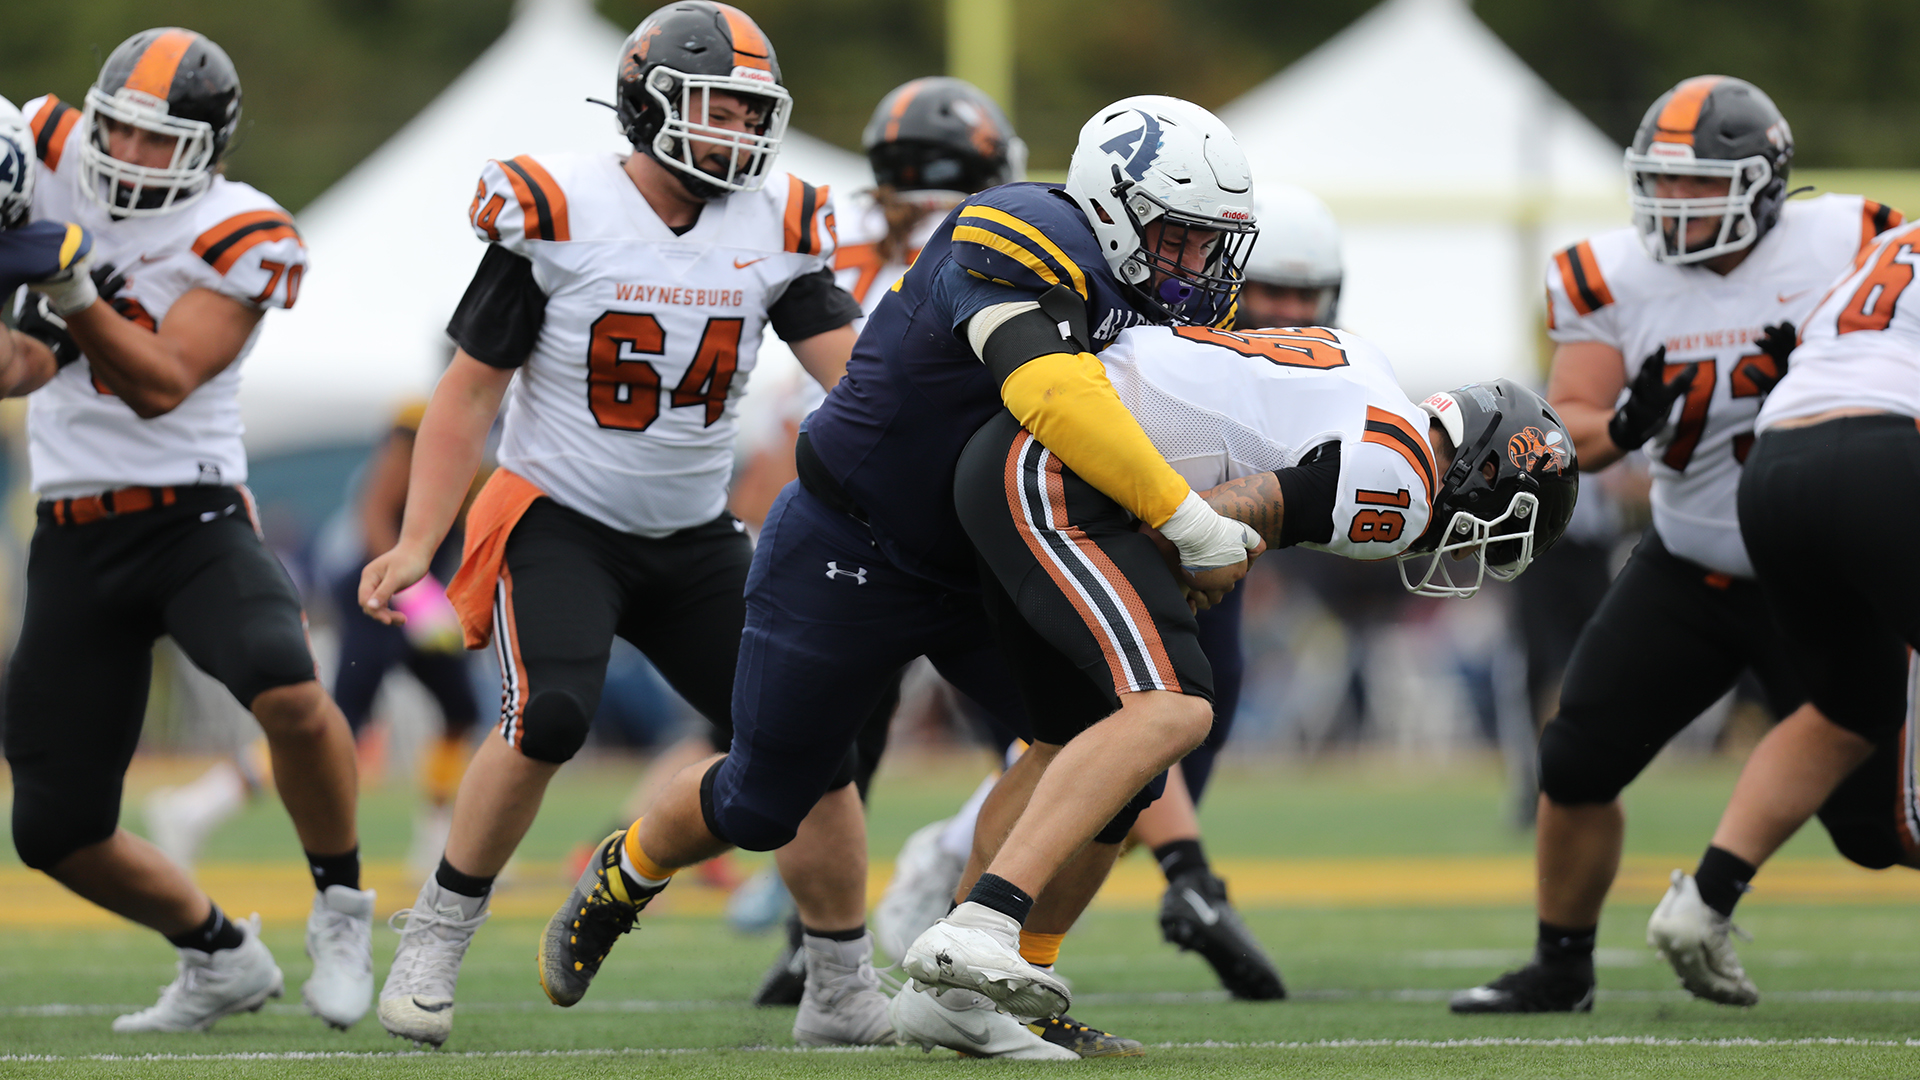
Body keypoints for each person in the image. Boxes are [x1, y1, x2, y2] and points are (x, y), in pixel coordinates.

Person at [538, 94, 1265, 1058]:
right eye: (1176, 239)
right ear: (1116, 205)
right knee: (763, 799)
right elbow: (1050, 389)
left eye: (1207, 243)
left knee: (1111, 751)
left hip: (994, 551)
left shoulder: (1140, 289)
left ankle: (987, 987)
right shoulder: (1016, 225)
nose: (1194, 266)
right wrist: (1186, 519)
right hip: (855, 541)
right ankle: (623, 873)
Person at [356, 2, 865, 1049]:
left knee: (813, 742)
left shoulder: (777, 222)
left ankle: (841, 984)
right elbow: (465, 396)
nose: (735, 132)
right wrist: (416, 541)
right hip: (560, 518)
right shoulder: (558, 209)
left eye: (749, 111)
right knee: (550, 718)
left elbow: (857, 388)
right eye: (714, 106)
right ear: (648, 102)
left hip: (693, 531)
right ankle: (439, 935)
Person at [1452, 75, 1906, 1014]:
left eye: (1701, 184)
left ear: (1765, 182)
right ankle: (1561, 963)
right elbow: (1560, 429)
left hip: (1816, 573)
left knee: (1874, 827)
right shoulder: (1603, 271)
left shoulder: (1852, 236)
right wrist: (1627, 422)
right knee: (1575, 755)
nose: (1676, 204)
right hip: (1689, 557)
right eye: (1662, 181)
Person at [875, 181, 1345, 1002]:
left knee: (1111, 749)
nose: (1283, 309)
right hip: (1058, 504)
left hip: (1154, 533)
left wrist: (1205, 539)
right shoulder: (1122, 299)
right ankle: (973, 917)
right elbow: (1076, 409)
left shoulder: (1288, 353)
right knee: (1158, 715)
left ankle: (975, 975)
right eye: (1273, 287)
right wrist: (1192, 530)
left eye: (1306, 295)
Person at [1, 31, 375, 1033]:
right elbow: (20, 368)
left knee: (286, 684)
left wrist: (72, 288)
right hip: (74, 529)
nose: (123, 150)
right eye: (115, 126)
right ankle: (217, 953)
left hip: (189, 510)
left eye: (155, 138)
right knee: (53, 826)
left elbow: (163, 381)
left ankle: (341, 905)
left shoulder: (241, 230)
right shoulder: (39, 146)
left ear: (209, 149)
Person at [1643, 218, 1920, 1006]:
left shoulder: (1887, 254)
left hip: (1776, 466)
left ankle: (1705, 902)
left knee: (1845, 706)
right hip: (1886, 450)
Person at [145, 400, 483, 876]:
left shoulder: (481, 446)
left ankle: (437, 839)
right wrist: (419, 597)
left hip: (408, 598)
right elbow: (376, 518)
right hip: (378, 597)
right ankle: (198, 805)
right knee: (334, 729)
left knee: (459, 709)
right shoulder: (417, 436)